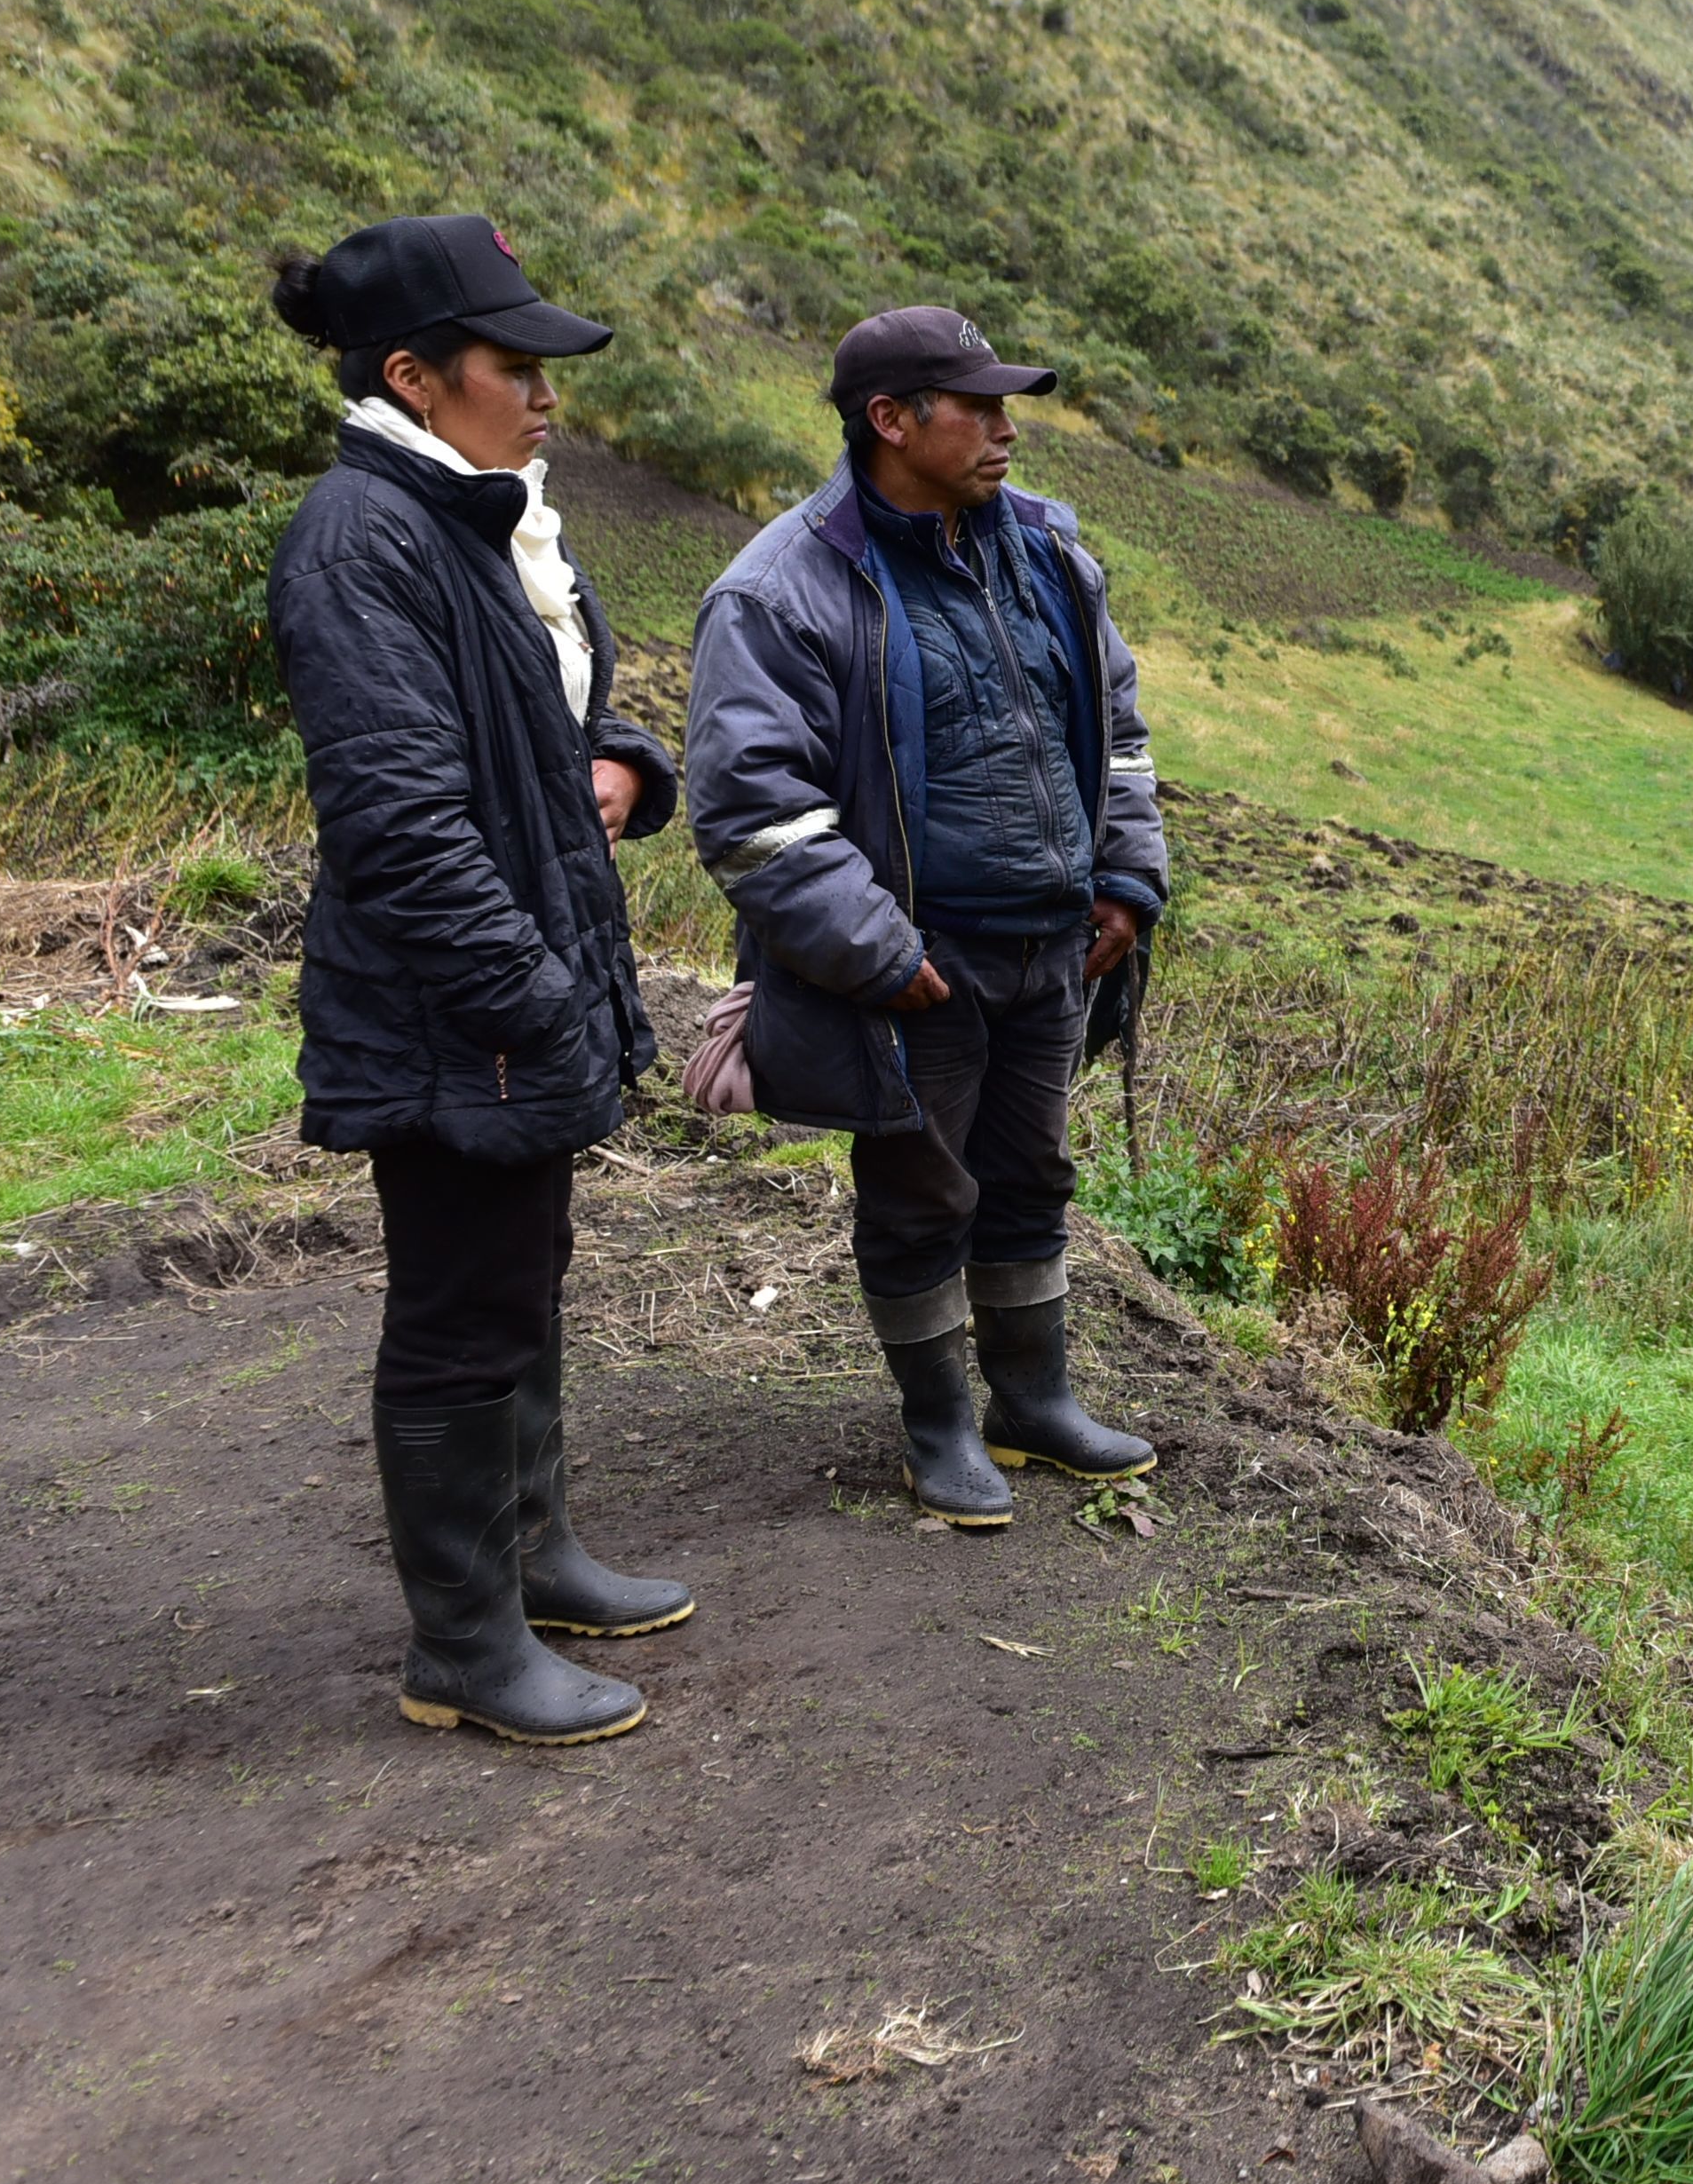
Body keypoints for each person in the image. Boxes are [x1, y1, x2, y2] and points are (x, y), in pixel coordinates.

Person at [265, 215, 689, 1746]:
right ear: (414, 377)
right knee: (458, 1309)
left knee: (521, 1276)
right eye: (515, 366)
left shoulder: (487, 521)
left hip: (514, 990)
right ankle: (461, 1645)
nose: (545, 392)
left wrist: (626, 765)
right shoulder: (361, 540)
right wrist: (534, 997)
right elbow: (398, 823)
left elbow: (556, 712)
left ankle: (535, 1559)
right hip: (458, 1005)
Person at [682, 306, 1168, 1526]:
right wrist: (879, 952)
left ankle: (1033, 1401)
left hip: (1053, 943)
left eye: (1008, 404)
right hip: (921, 965)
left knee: (1030, 1174)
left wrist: (1124, 878)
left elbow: (1113, 730)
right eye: (979, 406)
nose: (1009, 428)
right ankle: (937, 1422)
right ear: (890, 421)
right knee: (918, 1193)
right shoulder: (783, 588)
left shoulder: (1048, 550)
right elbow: (752, 811)